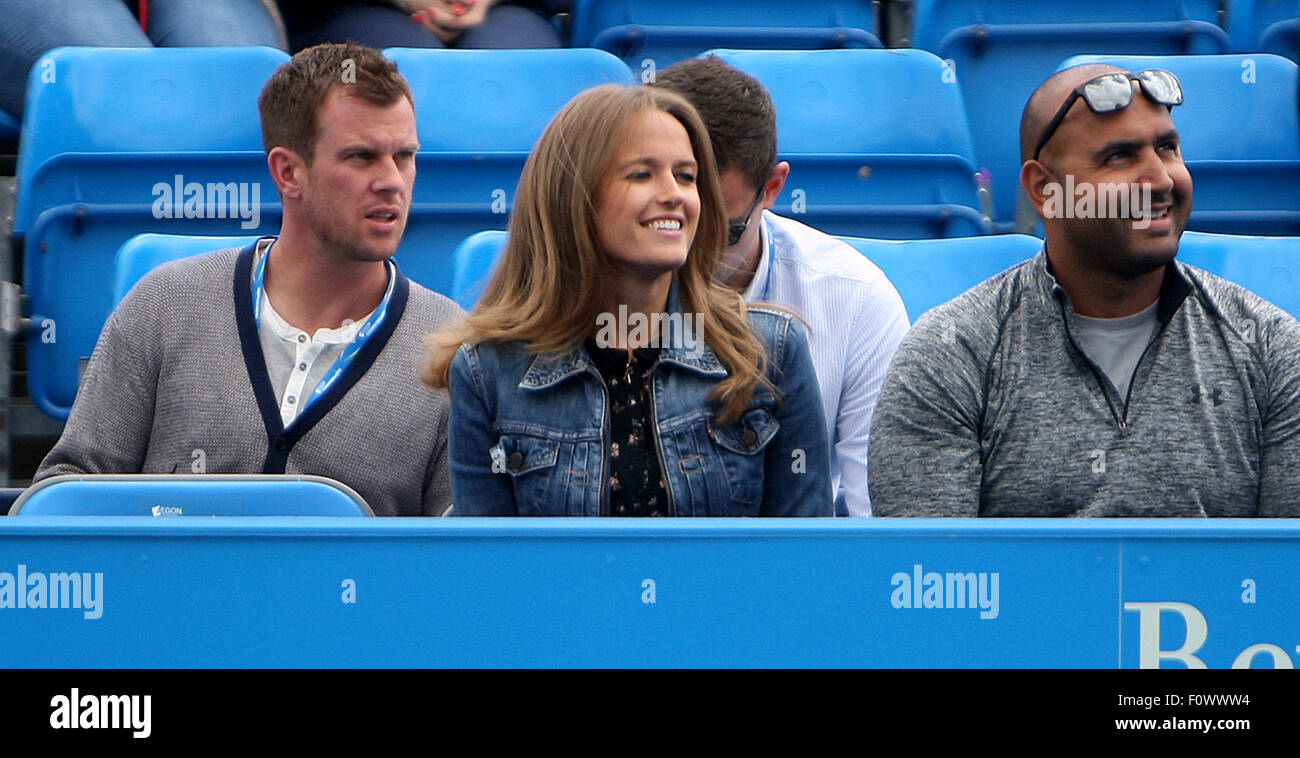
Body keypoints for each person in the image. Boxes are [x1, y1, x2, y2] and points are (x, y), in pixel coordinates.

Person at [35, 43, 464, 516]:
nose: (392, 181)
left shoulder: (452, 350)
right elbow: (66, 500)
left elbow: (456, 559)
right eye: (361, 157)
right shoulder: (165, 304)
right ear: (288, 172)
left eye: (404, 156)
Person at [869, 63, 1300, 517]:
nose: (1160, 180)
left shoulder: (1270, 349)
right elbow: (935, 577)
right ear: (1045, 189)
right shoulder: (949, 355)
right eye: (1119, 157)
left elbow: (1287, 576)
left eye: (1168, 148)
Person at [423, 84, 832, 517]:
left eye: (687, 176)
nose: (674, 192)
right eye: (641, 174)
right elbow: (491, 569)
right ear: (573, 198)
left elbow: (804, 558)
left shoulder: (772, 350)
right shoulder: (487, 372)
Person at [653, 56, 909, 517]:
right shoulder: (578, 290)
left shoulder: (856, 298)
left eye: (720, 231)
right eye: (666, 222)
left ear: (772, 188)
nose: (684, 252)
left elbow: (877, 525)